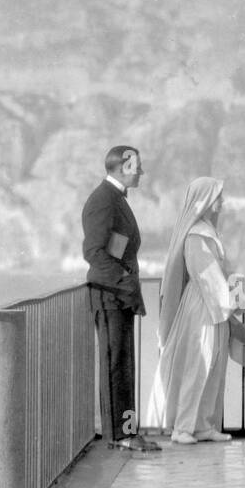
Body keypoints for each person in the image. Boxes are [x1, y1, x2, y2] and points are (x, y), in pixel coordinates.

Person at [146, 177, 240, 444]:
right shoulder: (197, 235)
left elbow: (223, 270)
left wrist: (233, 294)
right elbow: (206, 274)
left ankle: (203, 424)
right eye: (218, 196)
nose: (222, 202)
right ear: (207, 201)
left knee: (214, 364)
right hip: (202, 305)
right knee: (197, 365)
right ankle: (183, 426)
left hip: (215, 305)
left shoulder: (208, 231)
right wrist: (229, 301)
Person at [82, 145, 161, 452]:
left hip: (118, 297)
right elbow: (94, 253)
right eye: (136, 166)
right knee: (116, 366)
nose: (140, 171)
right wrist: (125, 283)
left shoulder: (113, 199)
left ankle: (127, 432)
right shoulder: (104, 200)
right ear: (121, 167)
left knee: (123, 366)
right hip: (111, 296)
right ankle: (121, 435)